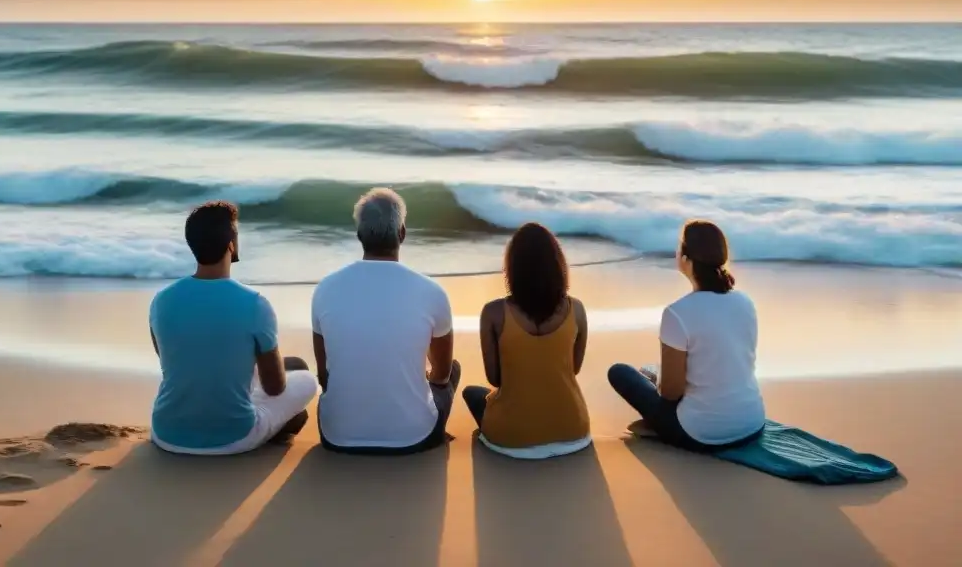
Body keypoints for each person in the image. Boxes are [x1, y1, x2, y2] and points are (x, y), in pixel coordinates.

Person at [149, 201, 318, 455]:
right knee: (305, 378)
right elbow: (275, 388)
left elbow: (175, 363)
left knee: (291, 363)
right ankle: (274, 426)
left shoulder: (161, 300)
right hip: (232, 438)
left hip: (167, 434)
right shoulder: (255, 304)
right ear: (231, 244)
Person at [311, 187, 459, 454]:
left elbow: (324, 376)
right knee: (453, 369)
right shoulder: (432, 292)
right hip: (414, 438)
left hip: (337, 436)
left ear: (359, 235)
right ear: (402, 233)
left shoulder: (326, 288)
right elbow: (441, 375)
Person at [607, 220, 765, 452]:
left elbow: (671, 393)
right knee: (654, 373)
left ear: (685, 259)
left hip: (700, 433)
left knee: (620, 372)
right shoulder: (746, 302)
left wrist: (659, 381)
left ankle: (659, 422)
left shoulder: (676, 313)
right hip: (753, 422)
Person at [462, 223, 592, 459]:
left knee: (472, 392)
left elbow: (495, 379)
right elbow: (573, 369)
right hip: (573, 431)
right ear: (557, 266)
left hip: (511, 438)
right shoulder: (578, 310)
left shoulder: (493, 313)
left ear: (513, 268)